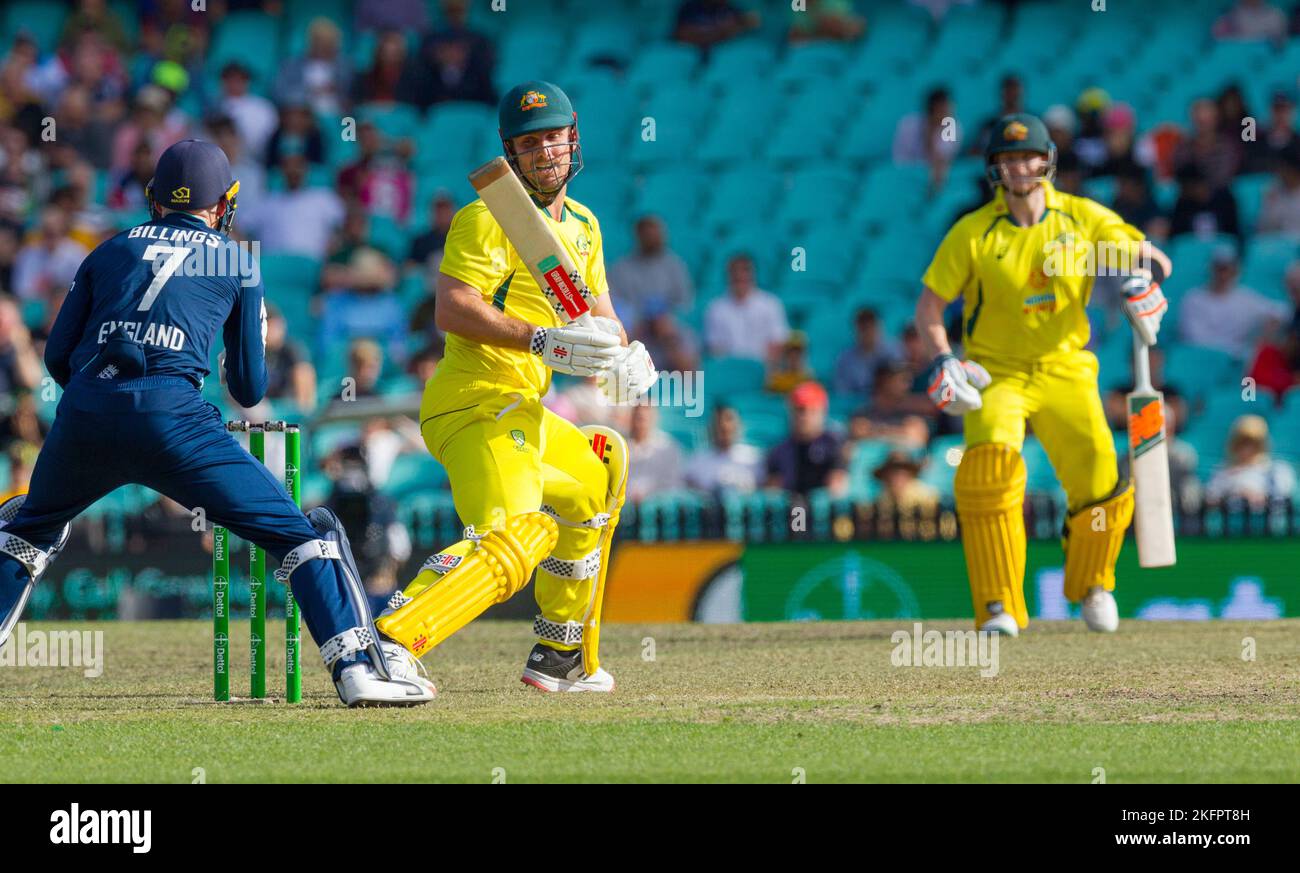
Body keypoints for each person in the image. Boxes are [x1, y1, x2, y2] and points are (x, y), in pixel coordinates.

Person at [0, 140, 433, 706]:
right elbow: (249, 389)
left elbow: (58, 359)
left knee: (25, 528)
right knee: (303, 535)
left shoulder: (109, 249)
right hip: (174, 421)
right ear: (225, 203)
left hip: (87, 414)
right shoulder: (233, 258)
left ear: (155, 198)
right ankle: (357, 670)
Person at [373, 82, 657, 693]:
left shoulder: (585, 225)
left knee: (595, 482)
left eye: (554, 137)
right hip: (473, 402)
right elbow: (451, 308)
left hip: (524, 408)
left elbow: (600, 319)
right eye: (530, 143)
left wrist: (628, 356)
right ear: (510, 152)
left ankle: (559, 651)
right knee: (514, 536)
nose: (545, 151)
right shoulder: (486, 217)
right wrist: (540, 341)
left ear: (573, 138)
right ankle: (389, 643)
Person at [915, 113, 1173, 637]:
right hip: (996, 373)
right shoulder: (974, 232)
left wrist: (1144, 282)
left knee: (1099, 475)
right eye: (1008, 159)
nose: (1019, 167)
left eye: (1028, 157)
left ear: (1047, 161)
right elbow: (928, 308)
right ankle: (998, 605)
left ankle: (1094, 584)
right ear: (995, 169)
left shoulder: (1079, 219)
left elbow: (1148, 255)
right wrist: (942, 358)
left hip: (1065, 367)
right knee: (989, 473)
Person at [1178, 245, 1288, 362]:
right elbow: (1195, 339)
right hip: (1200, 360)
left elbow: (1282, 311)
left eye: (1227, 269)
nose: (1222, 275)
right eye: (1219, 268)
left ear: (1235, 270)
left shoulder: (1246, 298)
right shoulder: (1193, 299)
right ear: (1211, 269)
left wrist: (1267, 329)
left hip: (1234, 362)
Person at [765, 381, 848, 499]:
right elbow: (773, 493)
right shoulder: (779, 450)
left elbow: (837, 490)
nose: (804, 416)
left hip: (821, 508)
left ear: (822, 412)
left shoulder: (835, 445)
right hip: (792, 508)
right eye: (799, 410)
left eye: (812, 410)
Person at [607, 215, 694, 324]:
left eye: (655, 234)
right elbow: (613, 303)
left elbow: (685, 302)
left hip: (668, 327)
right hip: (633, 327)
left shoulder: (675, 266)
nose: (652, 238)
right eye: (647, 235)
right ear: (638, 236)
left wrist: (666, 318)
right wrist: (637, 320)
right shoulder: (621, 268)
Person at [703, 253, 789, 361]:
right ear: (728, 276)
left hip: (763, 366)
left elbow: (778, 342)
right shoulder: (715, 309)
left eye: (744, 271)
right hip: (729, 367)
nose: (740, 276)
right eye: (735, 272)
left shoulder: (771, 304)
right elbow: (714, 347)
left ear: (752, 274)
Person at [1206, 415, 1296, 509]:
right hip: (1232, 517)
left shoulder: (1277, 469)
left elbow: (1282, 500)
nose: (1247, 448)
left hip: (1261, 517)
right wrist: (1235, 494)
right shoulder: (1223, 471)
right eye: (1242, 442)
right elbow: (1210, 499)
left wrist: (1257, 496)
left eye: (1252, 442)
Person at [684, 404, 762, 495]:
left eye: (729, 420)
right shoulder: (697, 460)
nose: (724, 425)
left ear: (738, 425)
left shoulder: (754, 459)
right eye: (718, 423)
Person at [833, 306, 902, 397]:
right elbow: (842, 393)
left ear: (880, 327)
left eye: (871, 326)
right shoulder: (845, 360)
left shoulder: (895, 351)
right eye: (864, 328)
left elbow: (900, 388)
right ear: (856, 330)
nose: (868, 332)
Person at [626, 405, 685, 502]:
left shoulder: (667, 447)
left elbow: (673, 483)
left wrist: (647, 494)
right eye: (637, 417)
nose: (639, 424)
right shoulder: (621, 445)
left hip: (657, 504)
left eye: (643, 418)